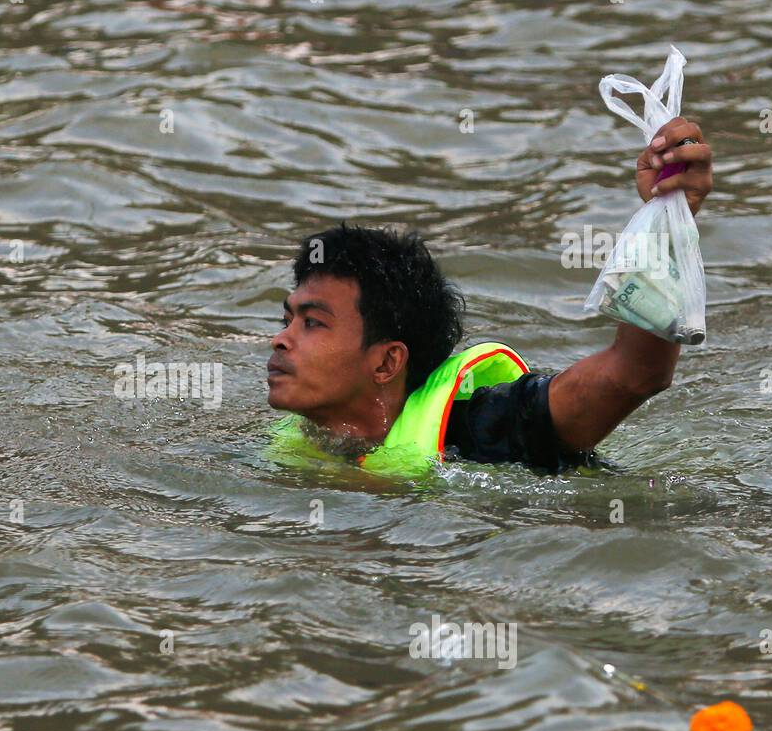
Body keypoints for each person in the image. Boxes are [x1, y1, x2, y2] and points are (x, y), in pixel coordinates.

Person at [265, 117, 713, 475]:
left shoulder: (490, 430)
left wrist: (669, 219)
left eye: (313, 323)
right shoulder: (298, 441)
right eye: (287, 320)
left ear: (386, 362)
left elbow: (636, 373)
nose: (280, 339)